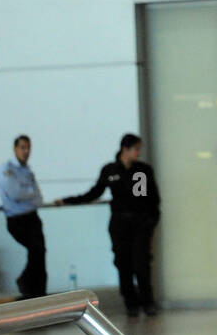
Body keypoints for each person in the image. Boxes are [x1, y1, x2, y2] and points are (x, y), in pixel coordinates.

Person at [55, 134, 161, 317]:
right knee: (123, 263)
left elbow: (150, 200)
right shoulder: (110, 170)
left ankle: (147, 301)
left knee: (141, 263)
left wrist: (150, 223)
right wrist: (68, 201)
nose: (139, 153)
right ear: (125, 149)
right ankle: (131, 303)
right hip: (119, 224)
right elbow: (94, 192)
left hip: (139, 224)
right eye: (136, 149)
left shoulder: (141, 171)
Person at [0, 135, 46, 299]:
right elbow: (15, 194)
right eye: (23, 147)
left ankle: (38, 292)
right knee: (35, 249)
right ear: (15, 149)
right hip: (17, 220)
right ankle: (25, 282)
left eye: (28, 148)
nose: (26, 151)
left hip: (32, 218)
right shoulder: (7, 169)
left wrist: (29, 196)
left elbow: (39, 198)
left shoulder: (27, 170)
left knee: (40, 252)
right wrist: (30, 195)